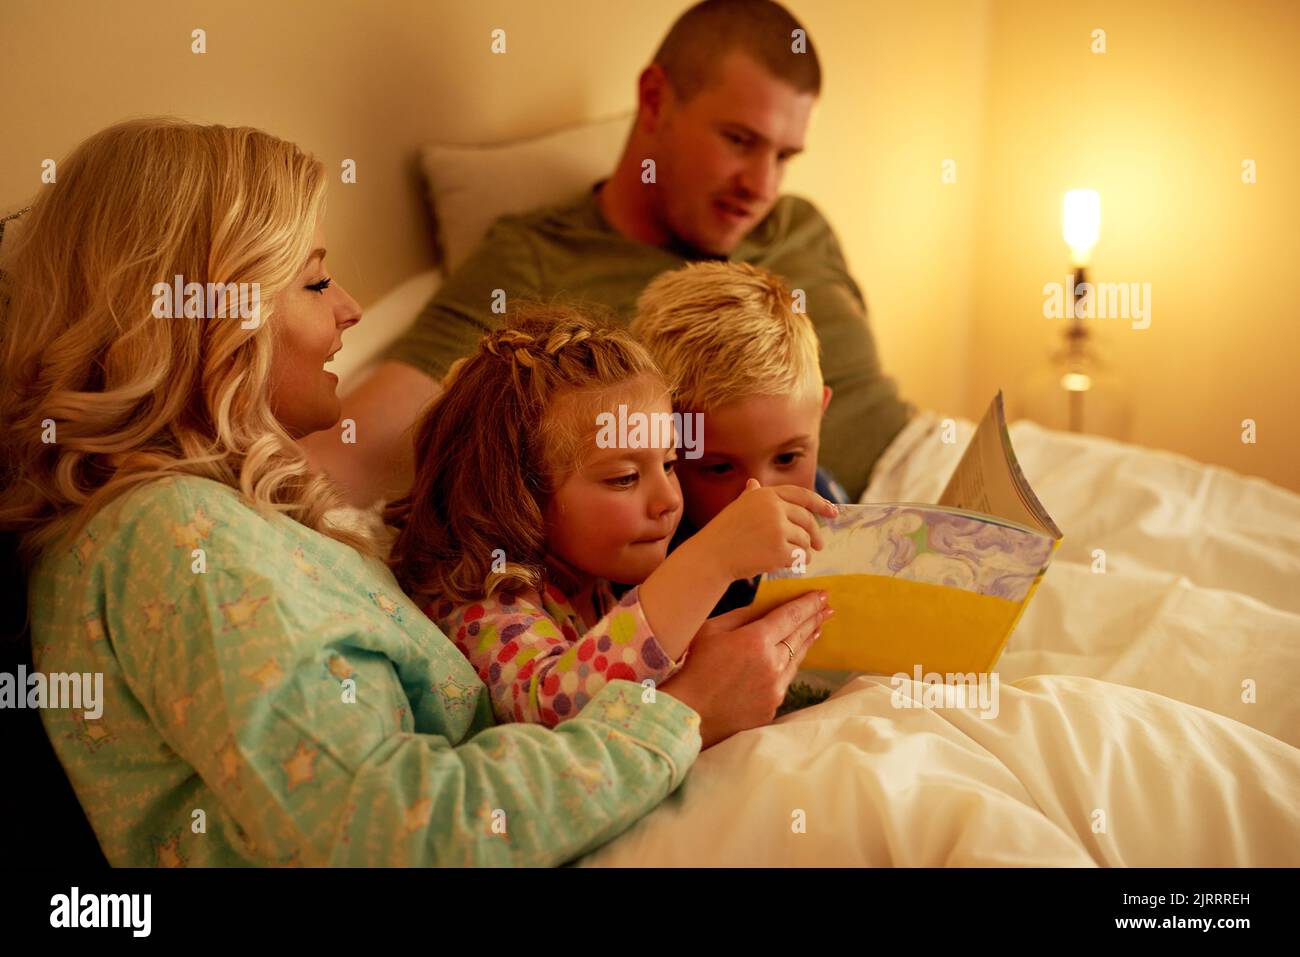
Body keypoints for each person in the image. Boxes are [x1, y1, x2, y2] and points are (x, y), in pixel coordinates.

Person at [0, 118, 829, 867]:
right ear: (207, 317)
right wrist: (683, 713)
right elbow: (383, 832)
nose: (353, 309)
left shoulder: (226, 518)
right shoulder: (170, 535)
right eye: (316, 283)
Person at [304, 0, 914, 508]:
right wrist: (233, 497)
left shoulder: (802, 224)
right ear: (654, 99)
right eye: (738, 141)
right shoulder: (536, 257)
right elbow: (361, 448)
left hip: (932, 469)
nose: (762, 186)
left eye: (784, 156)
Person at [386, 304, 837, 728]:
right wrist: (710, 560)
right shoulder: (484, 597)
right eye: (624, 478)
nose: (668, 501)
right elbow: (551, 707)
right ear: (516, 490)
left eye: (669, 464)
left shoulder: (589, 576)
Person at [631, 260, 848, 615]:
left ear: (820, 412)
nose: (760, 499)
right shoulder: (650, 551)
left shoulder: (830, 507)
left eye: (787, 458)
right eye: (718, 468)